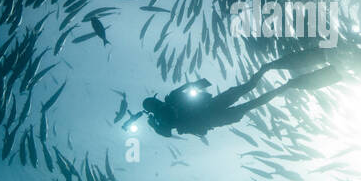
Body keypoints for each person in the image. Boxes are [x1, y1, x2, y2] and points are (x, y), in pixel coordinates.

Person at [142, 52, 339, 138]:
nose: (157, 104)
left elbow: (185, 88)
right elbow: (167, 133)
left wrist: (198, 84)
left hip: (213, 110)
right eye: (153, 104)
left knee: (247, 93)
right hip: (213, 116)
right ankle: (279, 82)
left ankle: (271, 75)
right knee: (248, 101)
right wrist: (154, 123)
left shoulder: (170, 99)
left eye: (154, 101)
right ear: (152, 107)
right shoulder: (160, 120)